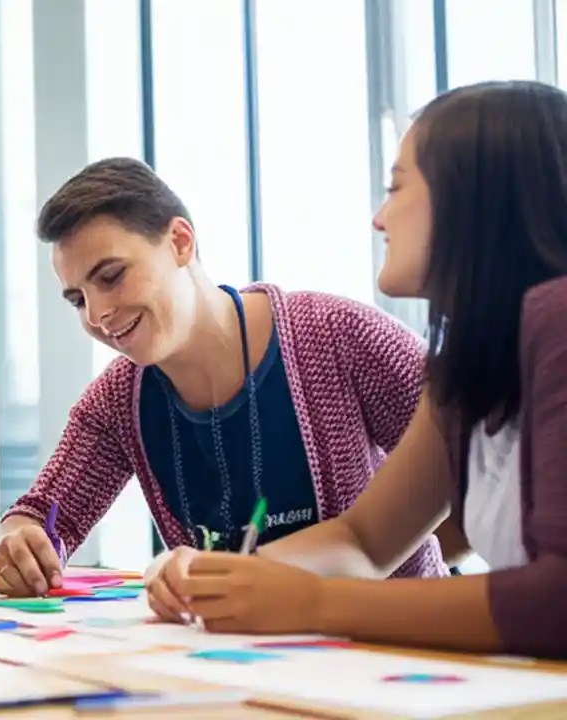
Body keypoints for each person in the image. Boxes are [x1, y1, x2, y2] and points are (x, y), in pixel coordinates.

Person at [155, 80, 567, 659]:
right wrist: (222, 577)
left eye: (396, 187)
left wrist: (314, 605)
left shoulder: (559, 322)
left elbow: (557, 601)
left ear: (472, 197)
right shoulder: (462, 372)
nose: (379, 218)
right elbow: (366, 541)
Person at [0, 157, 456, 599]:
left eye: (111, 276)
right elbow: (44, 512)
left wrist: (410, 553)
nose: (98, 313)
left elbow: (478, 455)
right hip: (238, 660)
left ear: (179, 242)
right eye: (76, 299)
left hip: (399, 648)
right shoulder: (117, 401)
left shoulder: (339, 336)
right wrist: (19, 539)